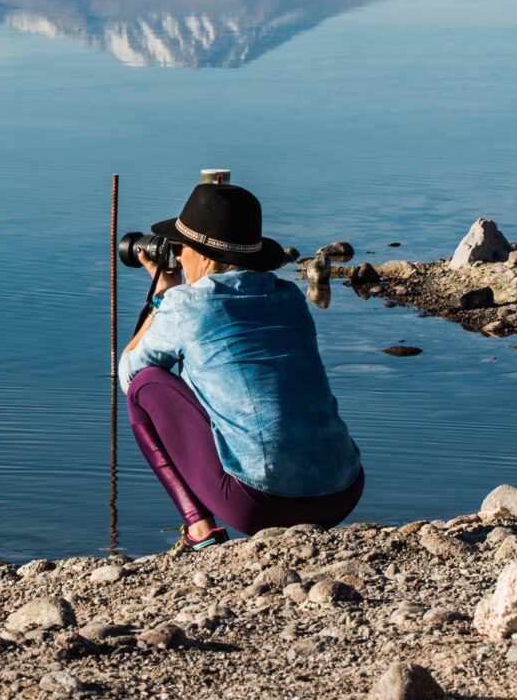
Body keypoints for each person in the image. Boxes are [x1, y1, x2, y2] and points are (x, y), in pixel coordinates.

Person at [119, 178, 364, 550]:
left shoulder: (188, 304)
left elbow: (128, 373)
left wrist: (162, 295)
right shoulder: (289, 296)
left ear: (202, 254)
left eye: (181, 248)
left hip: (261, 505)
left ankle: (200, 532)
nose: (179, 257)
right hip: (342, 492)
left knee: (145, 385)